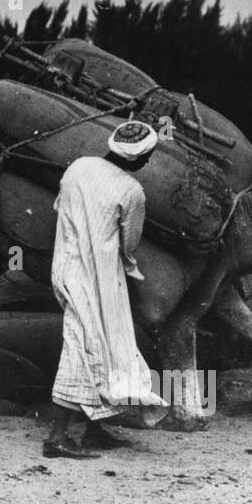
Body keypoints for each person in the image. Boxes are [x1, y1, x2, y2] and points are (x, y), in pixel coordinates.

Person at [43, 120, 168, 459]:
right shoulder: (131, 191)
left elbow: (60, 208)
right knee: (81, 347)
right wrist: (127, 264)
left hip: (66, 265)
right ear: (140, 159)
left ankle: (95, 430)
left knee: (102, 346)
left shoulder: (78, 167)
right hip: (95, 276)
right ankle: (56, 438)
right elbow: (130, 242)